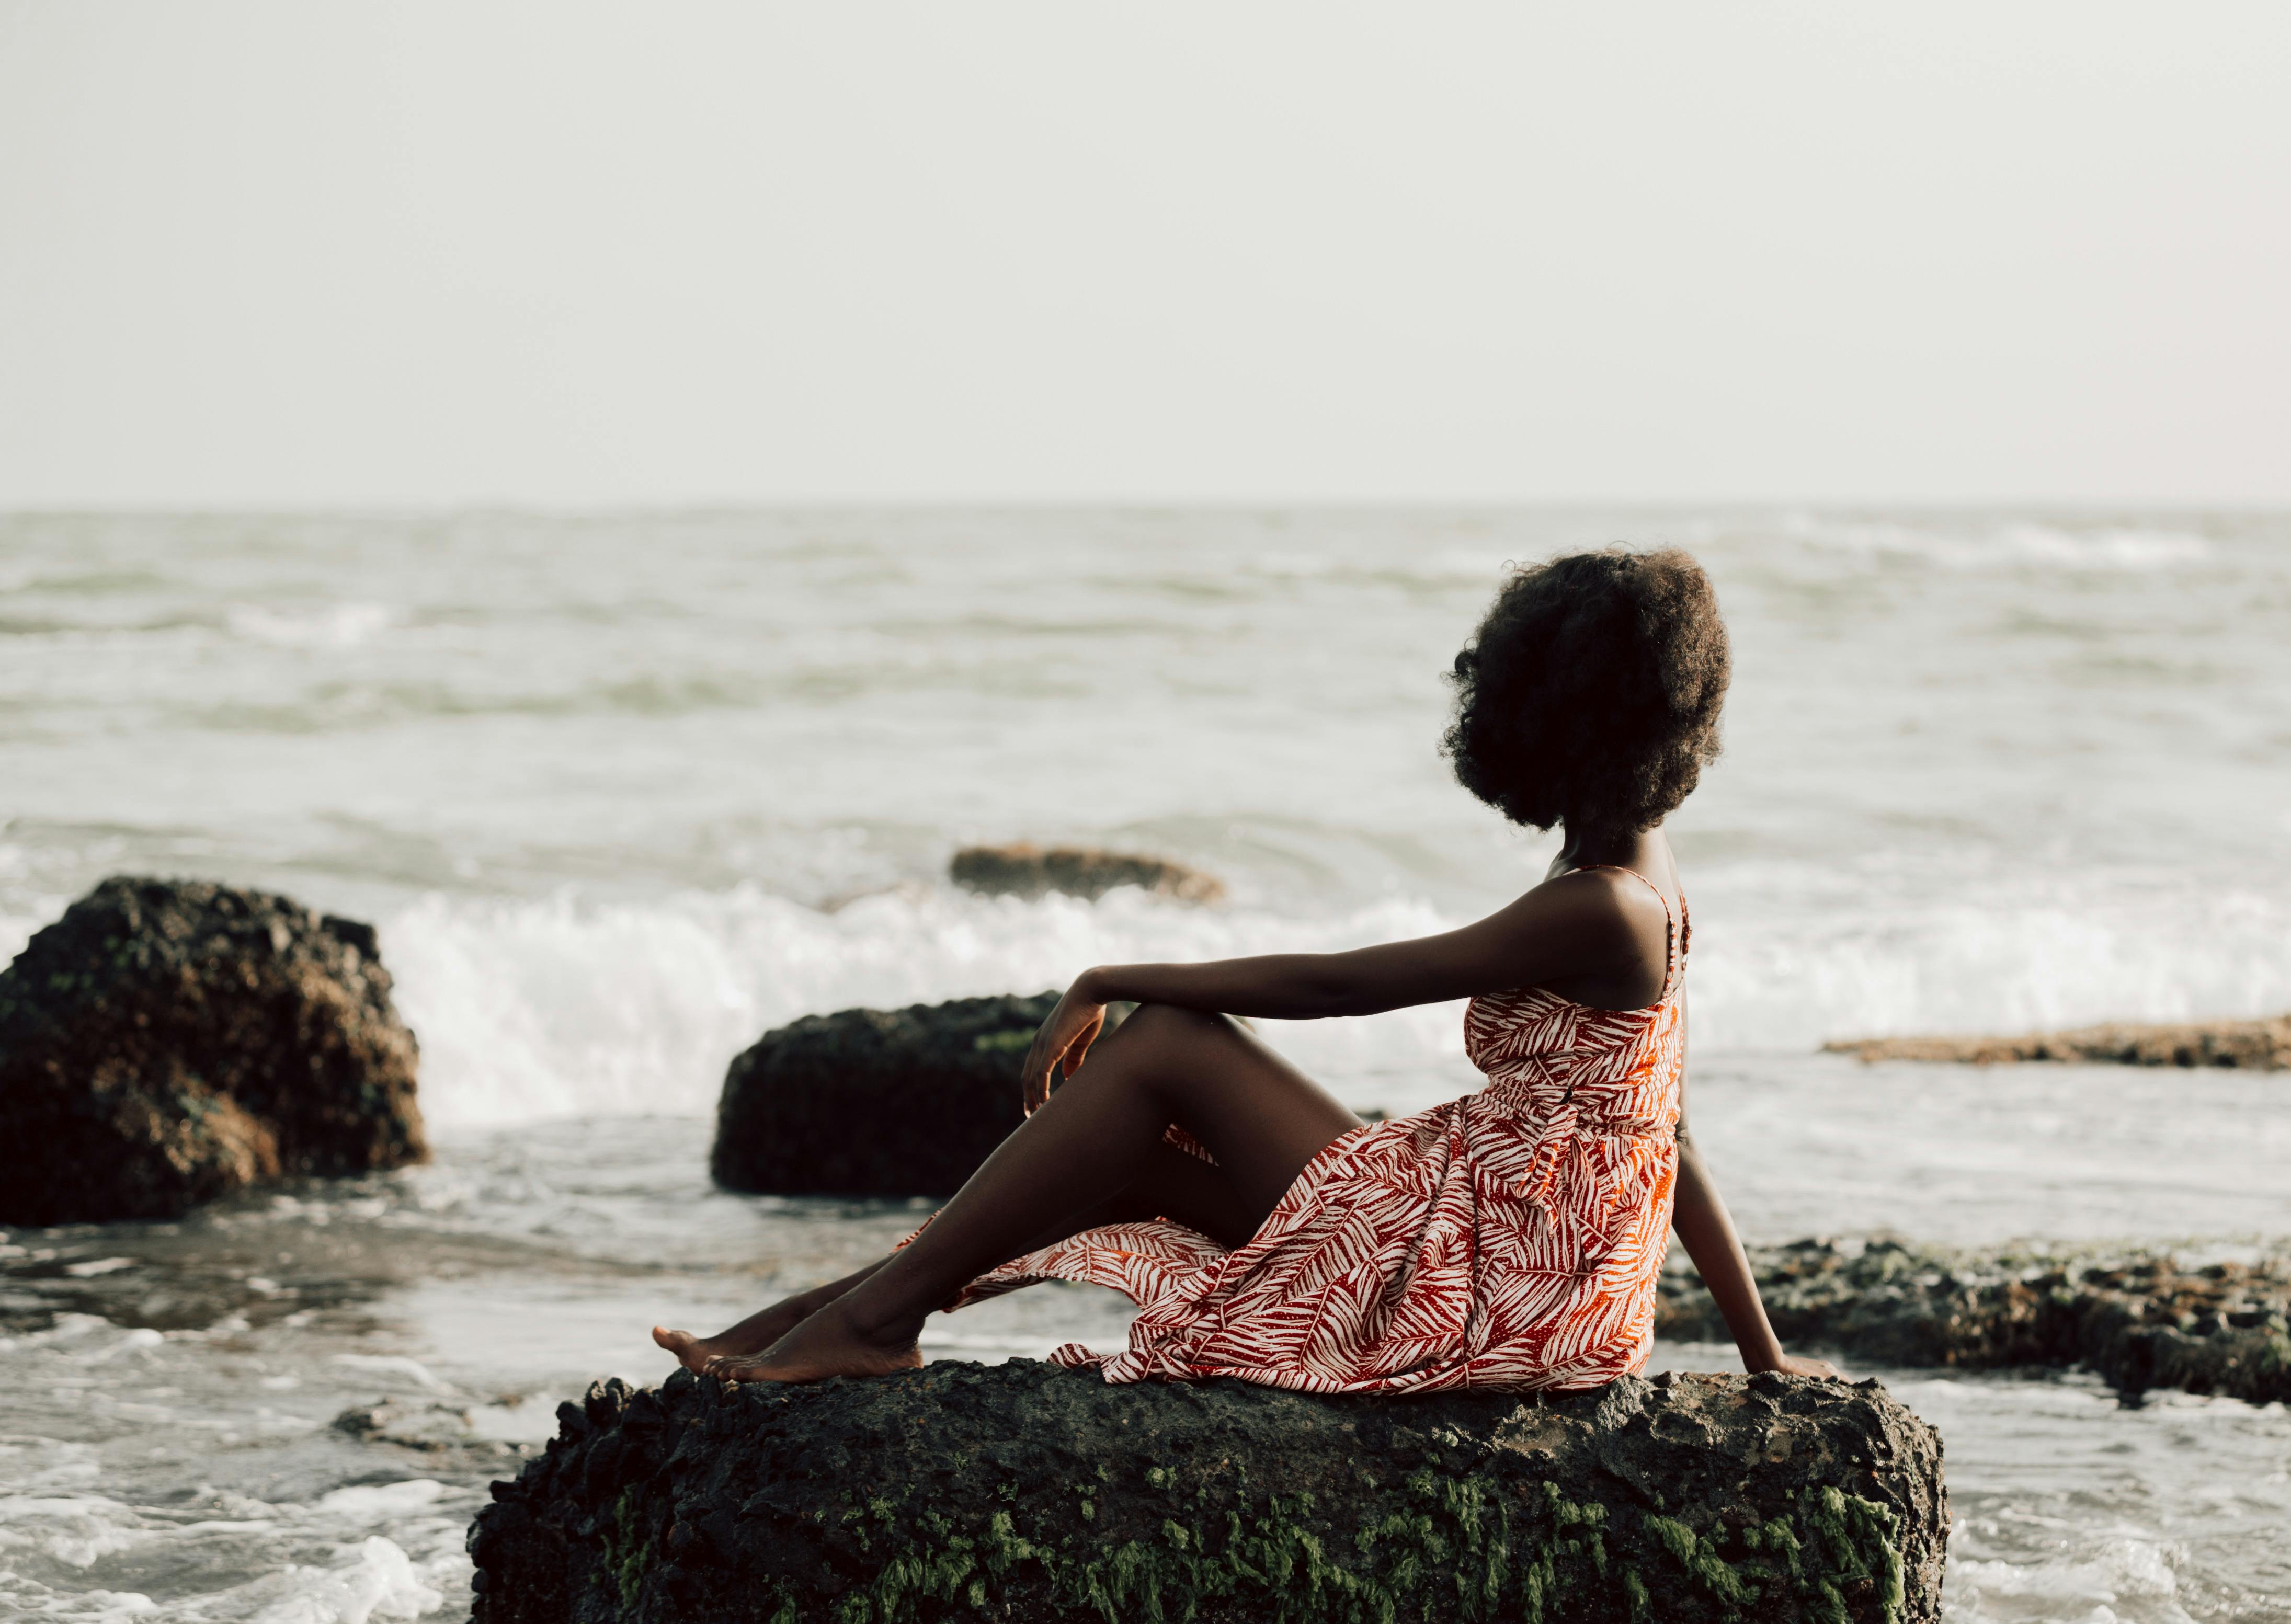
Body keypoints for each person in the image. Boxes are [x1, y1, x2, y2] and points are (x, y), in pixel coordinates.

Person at [654, 547, 1832, 1389]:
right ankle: (821, 1327)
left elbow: (1342, 984)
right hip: (1536, 1265)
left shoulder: (1600, 910)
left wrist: (1113, 974)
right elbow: (1663, 1133)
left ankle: (854, 1326)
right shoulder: (1652, 880)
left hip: (1493, 1278)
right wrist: (1762, 1353)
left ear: (1552, 724)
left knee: (1165, 1042)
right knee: (1129, 1166)